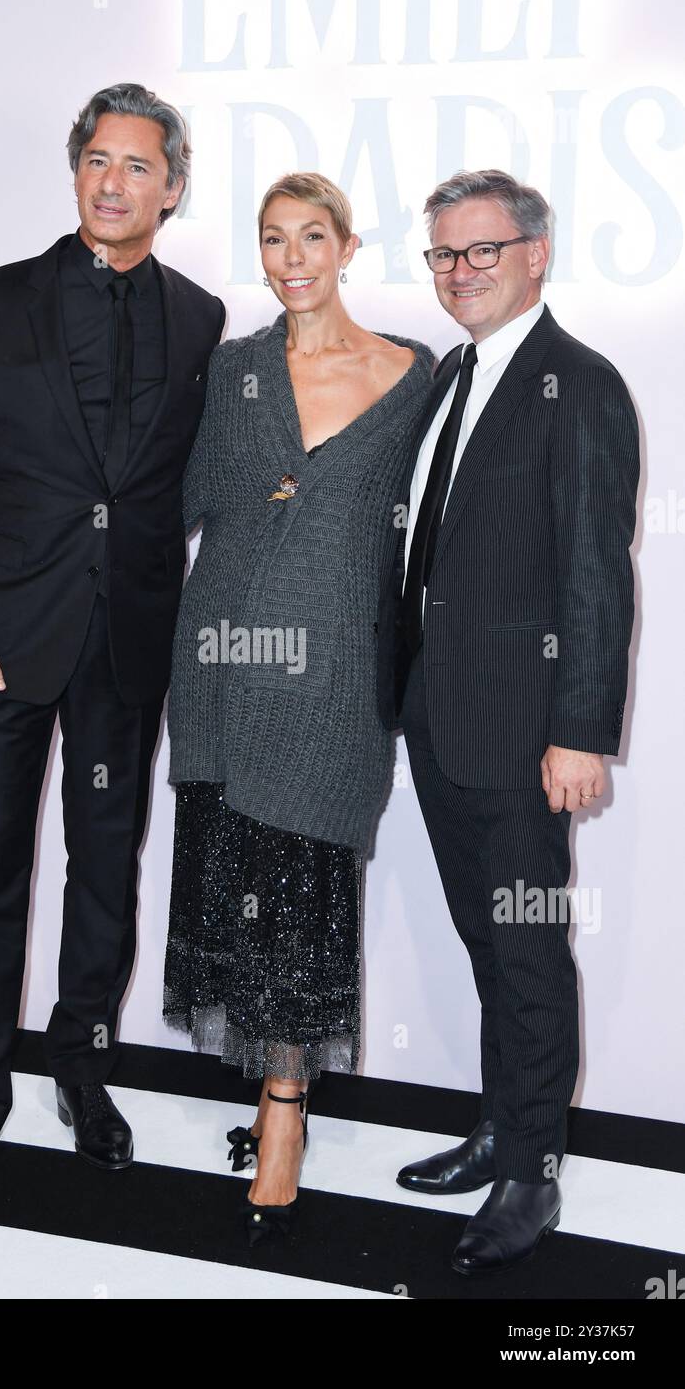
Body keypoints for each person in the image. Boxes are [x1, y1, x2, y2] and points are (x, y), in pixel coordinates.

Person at [0, 83, 225, 1229]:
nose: (111, 180)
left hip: (124, 645)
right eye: (95, 158)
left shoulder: (199, 318)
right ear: (74, 168)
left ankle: (83, 1075)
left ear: (171, 188)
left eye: (137, 165)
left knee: (104, 876)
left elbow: (183, 484)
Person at [163, 172, 435, 1247]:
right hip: (222, 670)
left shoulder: (415, 380)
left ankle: (285, 1112)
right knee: (236, 893)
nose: (289, 259)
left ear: (347, 246)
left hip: (331, 689)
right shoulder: (231, 373)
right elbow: (168, 506)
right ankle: (265, 1097)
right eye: (271, 239)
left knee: (302, 902)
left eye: (309, 237)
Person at [376, 169, 640, 1275]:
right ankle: (496, 1121)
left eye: (480, 251)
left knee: (527, 951)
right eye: (442, 254)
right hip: (439, 719)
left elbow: (595, 573)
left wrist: (579, 731)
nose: (458, 272)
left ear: (535, 252)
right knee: (487, 942)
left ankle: (530, 1169)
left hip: (527, 734)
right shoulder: (449, 375)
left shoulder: (576, 384)